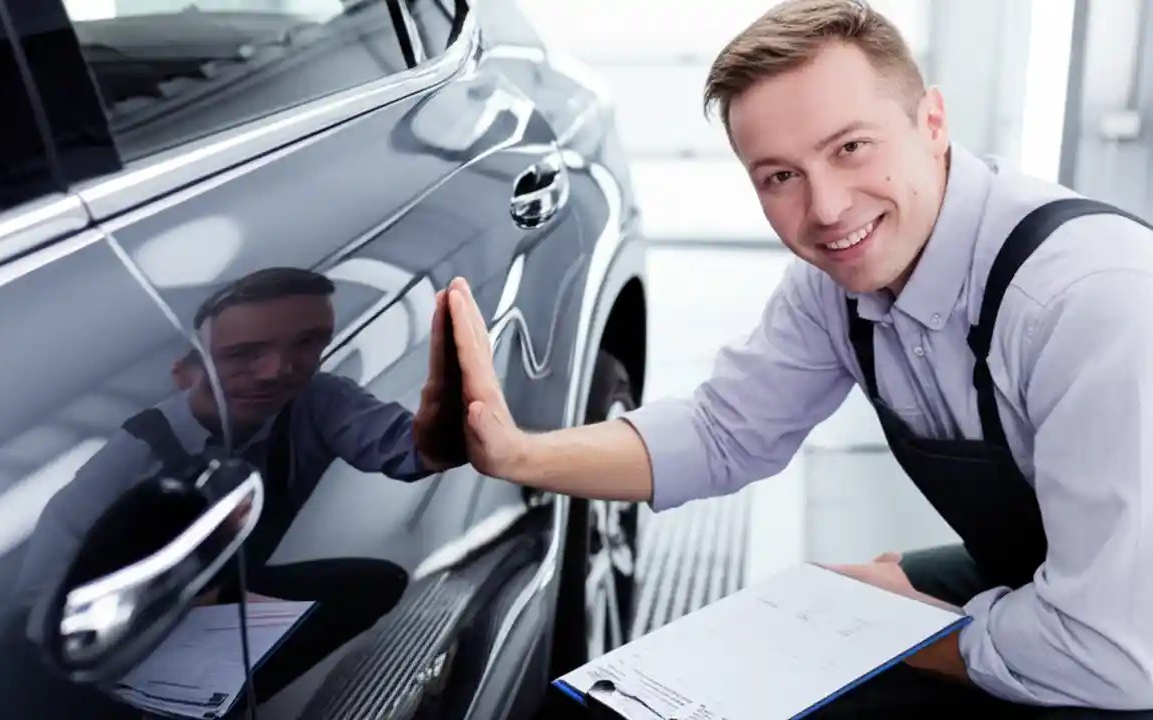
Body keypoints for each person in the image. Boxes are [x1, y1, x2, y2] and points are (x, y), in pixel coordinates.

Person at [432, 0, 1153, 715]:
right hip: (1051, 583)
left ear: (931, 123)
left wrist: (898, 629)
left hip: (1126, 642)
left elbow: (1113, 656)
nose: (829, 209)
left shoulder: (1089, 302)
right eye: (780, 176)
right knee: (787, 629)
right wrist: (516, 456)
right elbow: (723, 433)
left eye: (850, 148)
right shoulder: (835, 287)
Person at [0, 266, 466, 716]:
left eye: (306, 345)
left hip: (213, 600)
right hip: (112, 628)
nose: (275, 372)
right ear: (185, 372)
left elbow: (412, 452)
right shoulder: (130, 456)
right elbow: (38, 601)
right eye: (243, 355)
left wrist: (448, 404)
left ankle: (214, 701)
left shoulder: (315, 400)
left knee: (372, 585)